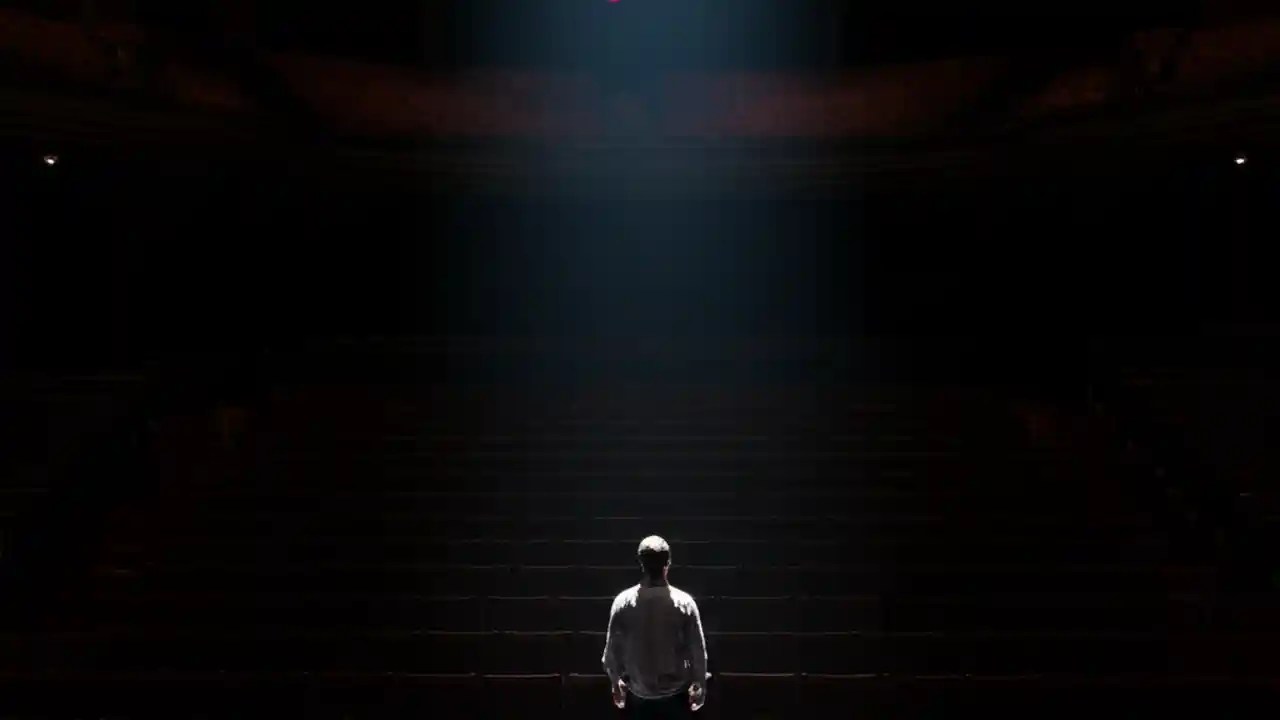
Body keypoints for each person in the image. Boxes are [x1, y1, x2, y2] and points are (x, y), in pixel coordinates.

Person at [602, 535, 708, 717]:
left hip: (638, 696)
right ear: (668, 563)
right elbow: (697, 651)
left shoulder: (622, 602)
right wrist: (700, 684)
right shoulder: (685, 602)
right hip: (675, 697)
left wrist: (615, 682)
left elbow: (610, 654)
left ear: (641, 563)